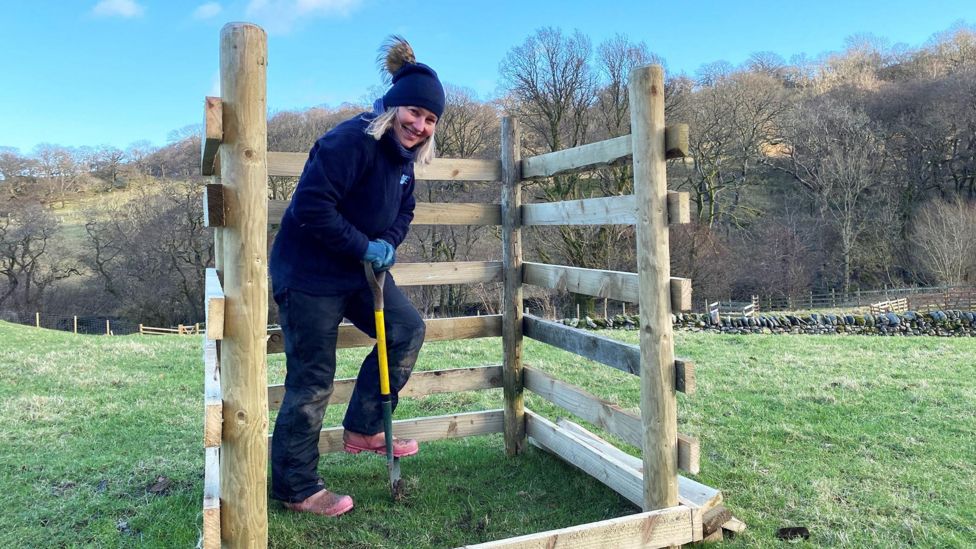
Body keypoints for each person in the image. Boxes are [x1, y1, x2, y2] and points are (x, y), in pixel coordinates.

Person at [268, 36, 444, 517]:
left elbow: (404, 208)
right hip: (308, 274)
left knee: (406, 330)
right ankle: (296, 487)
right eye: (414, 113)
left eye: (430, 120)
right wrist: (362, 245)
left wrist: (387, 242)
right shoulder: (350, 142)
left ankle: (365, 427)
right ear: (393, 107)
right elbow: (310, 208)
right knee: (312, 381)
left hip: (358, 273)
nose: (420, 125)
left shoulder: (405, 160)